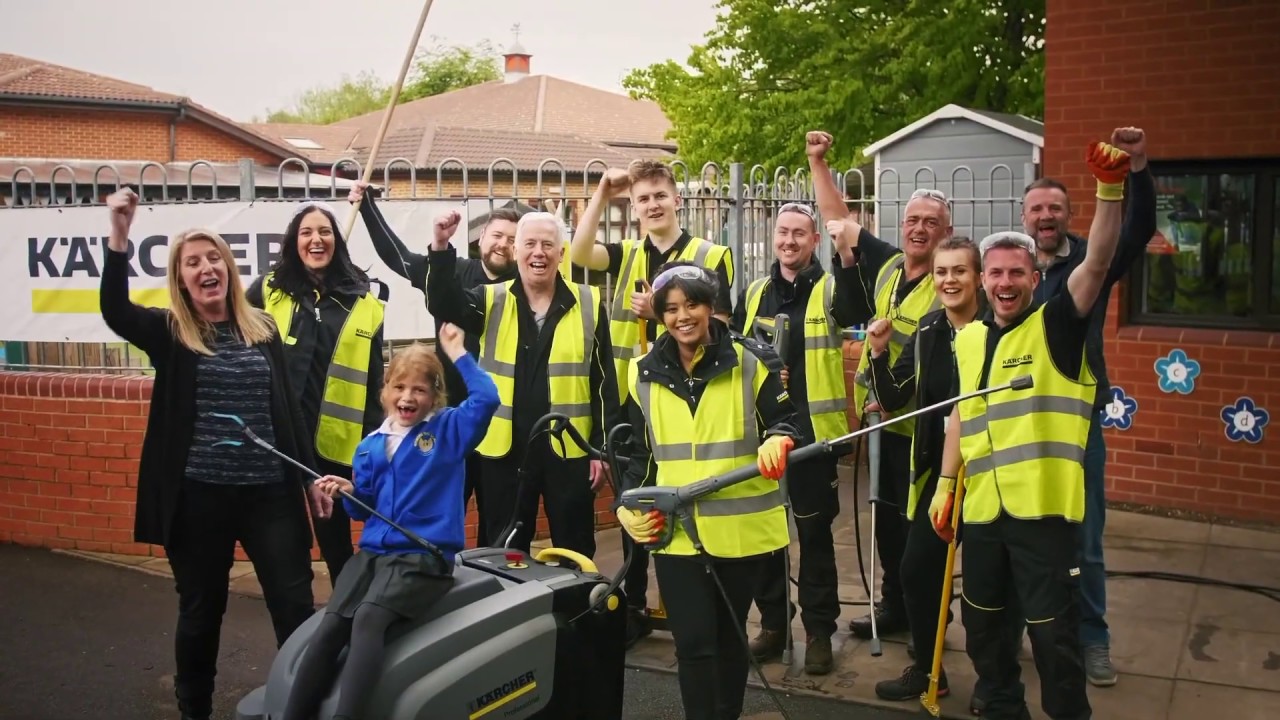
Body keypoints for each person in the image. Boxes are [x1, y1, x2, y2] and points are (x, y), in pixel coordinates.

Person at [99, 188, 332, 720]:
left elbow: (287, 414)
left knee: (294, 606)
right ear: (181, 279)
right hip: (199, 497)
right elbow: (115, 310)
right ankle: (194, 709)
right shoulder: (171, 332)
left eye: (213, 259)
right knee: (202, 612)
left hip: (269, 495)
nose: (206, 268)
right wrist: (119, 234)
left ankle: (302, 702)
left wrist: (309, 477)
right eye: (192, 262)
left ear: (227, 268)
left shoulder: (263, 329)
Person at [931, 139, 1132, 720]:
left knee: (1052, 639)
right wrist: (947, 486)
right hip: (984, 514)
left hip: (1044, 516)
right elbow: (964, 415)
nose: (1004, 281)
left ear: (1033, 277)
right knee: (986, 631)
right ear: (980, 280)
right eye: (994, 272)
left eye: (1017, 271)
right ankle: (1001, 708)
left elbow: (1096, 262)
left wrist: (1109, 191)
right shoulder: (968, 339)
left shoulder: (1056, 327)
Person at [281, 323, 500, 720]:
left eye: (419, 389)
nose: (408, 396)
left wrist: (458, 354)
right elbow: (363, 511)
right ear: (385, 391)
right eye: (399, 387)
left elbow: (487, 398)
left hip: (423, 556)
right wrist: (347, 491)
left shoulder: (449, 430)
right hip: (374, 556)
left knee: (368, 618)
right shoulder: (369, 447)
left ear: (434, 395)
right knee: (331, 625)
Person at [615, 260, 799, 720]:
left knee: (730, 639)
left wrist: (779, 438)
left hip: (740, 530)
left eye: (692, 304)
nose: (683, 316)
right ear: (659, 314)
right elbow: (642, 454)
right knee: (693, 643)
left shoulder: (750, 360)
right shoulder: (641, 372)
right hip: (676, 532)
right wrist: (626, 503)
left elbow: (790, 420)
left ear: (710, 305)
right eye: (671, 308)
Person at [570, 160, 736, 645]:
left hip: (686, 396)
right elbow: (578, 253)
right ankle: (636, 606)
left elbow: (721, 322)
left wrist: (661, 314)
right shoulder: (626, 254)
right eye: (642, 199)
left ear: (676, 199)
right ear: (635, 207)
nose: (652, 205)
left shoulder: (710, 253)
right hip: (631, 399)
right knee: (635, 502)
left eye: (660, 195)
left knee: (691, 497)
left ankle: (696, 601)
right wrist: (601, 192)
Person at [1021, 127, 1156, 688]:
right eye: (1036, 208)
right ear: (1024, 217)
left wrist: (1138, 165)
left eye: (1055, 207)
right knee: (1018, 534)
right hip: (1017, 424)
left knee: (1085, 538)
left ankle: (1093, 638)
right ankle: (1017, 632)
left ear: (1069, 215)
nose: (1045, 216)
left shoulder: (1089, 260)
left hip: (1077, 427)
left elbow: (1141, 227)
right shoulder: (1009, 268)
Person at [809, 129, 951, 638]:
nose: (919, 229)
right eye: (913, 220)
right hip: (883, 422)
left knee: (921, 533)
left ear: (945, 232)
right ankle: (894, 607)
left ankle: (930, 621)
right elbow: (837, 224)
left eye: (931, 223)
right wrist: (818, 162)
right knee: (887, 524)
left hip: (924, 431)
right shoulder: (890, 265)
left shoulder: (949, 284)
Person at [427, 210, 619, 558]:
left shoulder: (589, 303)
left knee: (574, 550)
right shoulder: (490, 298)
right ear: (516, 251)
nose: (538, 252)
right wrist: (441, 247)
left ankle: (576, 612)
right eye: (529, 244)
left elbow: (603, 380)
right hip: (505, 452)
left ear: (562, 254)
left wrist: (600, 450)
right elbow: (443, 303)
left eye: (548, 245)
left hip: (569, 451)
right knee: (503, 551)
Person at [346, 181, 523, 548]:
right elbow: (398, 256)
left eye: (512, 239)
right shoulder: (450, 272)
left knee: (498, 523)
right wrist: (367, 207)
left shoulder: (525, 289)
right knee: (442, 509)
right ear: (481, 237)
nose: (502, 244)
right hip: (443, 422)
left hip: (497, 423)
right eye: (497, 235)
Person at [861, 235, 989, 701]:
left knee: (987, 585)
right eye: (942, 272)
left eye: (959, 271)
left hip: (991, 475)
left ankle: (993, 684)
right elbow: (895, 397)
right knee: (916, 571)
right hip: (937, 477)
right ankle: (928, 667)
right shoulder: (931, 329)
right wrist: (877, 353)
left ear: (977, 277)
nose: (950, 280)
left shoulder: (999, 327)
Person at [732, 201, 853, 675]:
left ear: (814, 241)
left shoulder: (828, 289)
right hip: (761, 434)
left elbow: (854, 306)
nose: (789, 241)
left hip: (812, 437)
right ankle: (774, 626)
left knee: (814, 537)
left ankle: (820, 632)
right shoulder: (757, 290)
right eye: (783, 232)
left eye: (799, 233)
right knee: (765, 537)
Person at [247, 201, 385, 587]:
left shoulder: (364, 303)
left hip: (335, 447)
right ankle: (296, 610)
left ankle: (345, 608)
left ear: (336, 242)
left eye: (324, 232)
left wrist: (372, 443)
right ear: (294, 242)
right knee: (284, 539)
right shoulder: (268, 291)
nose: (316, 239)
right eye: (306, 232)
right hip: (281, 438)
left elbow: (374, 381)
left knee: (336, 542)